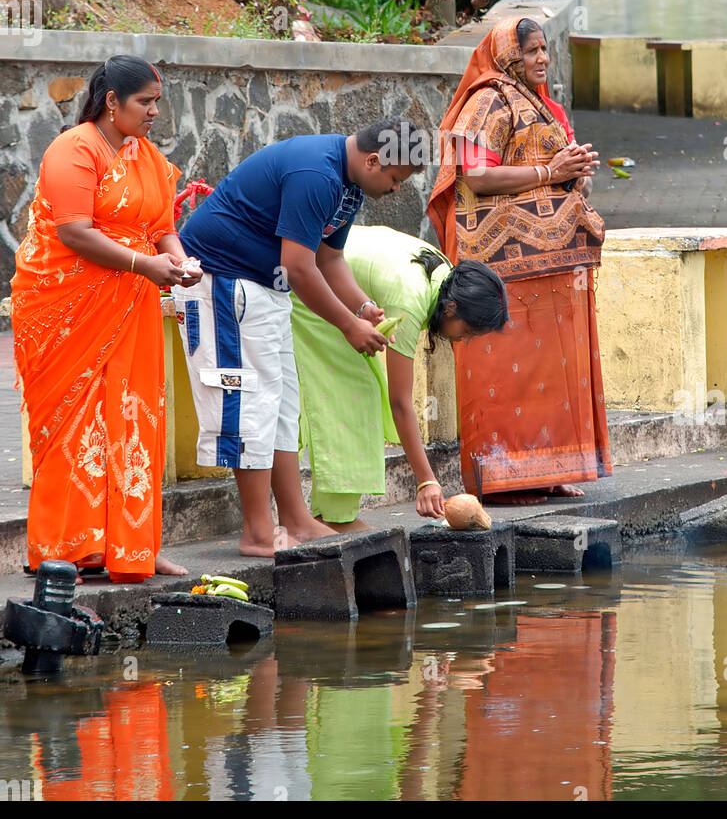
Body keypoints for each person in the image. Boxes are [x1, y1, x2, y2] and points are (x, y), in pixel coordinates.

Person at [172, 118, 424, 556]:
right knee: (247, 404)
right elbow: (299, 267)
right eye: (396, 179)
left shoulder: (348, 185)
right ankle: (257, 531)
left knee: (281, 404)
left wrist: (362, 307)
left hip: (264, 291)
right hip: (223, 284)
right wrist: (348, 327)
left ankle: (296, 521)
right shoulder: (317, 174)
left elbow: (330, 259)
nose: (397, 190)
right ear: (373, 160)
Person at [11, 56, 200, 583]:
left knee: (134, 417)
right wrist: (146, 264)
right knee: (75, 422)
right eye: (145, 102)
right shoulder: (75, 149)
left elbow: (161, 224)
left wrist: (180, 262)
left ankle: (135, 546)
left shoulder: (145, 155)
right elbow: (73, 231)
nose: (155, 112)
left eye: (157, 102)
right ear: (112, 102)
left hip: (129, 305)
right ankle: (67, 548)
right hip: (65, 309)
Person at [427, 17, 612, 501]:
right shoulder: (487, 99)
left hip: (551, 263)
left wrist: (577, 175)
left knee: (552, 369)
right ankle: (502, 482)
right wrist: (549, 170)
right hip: (499, 266)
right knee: (498, 369)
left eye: (545, 49)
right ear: (510, 54)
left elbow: (562, 173)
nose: (542, 59)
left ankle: (549, 472)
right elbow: (474, 175)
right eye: (531, 51)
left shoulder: (544, 105)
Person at [290, 225, 509, 531]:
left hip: (328, 274)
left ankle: (335, 515)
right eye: (469, 331)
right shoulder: (411, 301)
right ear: (453, 308)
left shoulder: (445, 275)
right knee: (349, 397)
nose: (466, 340)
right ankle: (331, 519)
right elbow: (400, 402)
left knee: (360, 390)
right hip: (310, 285)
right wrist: (427, 481)